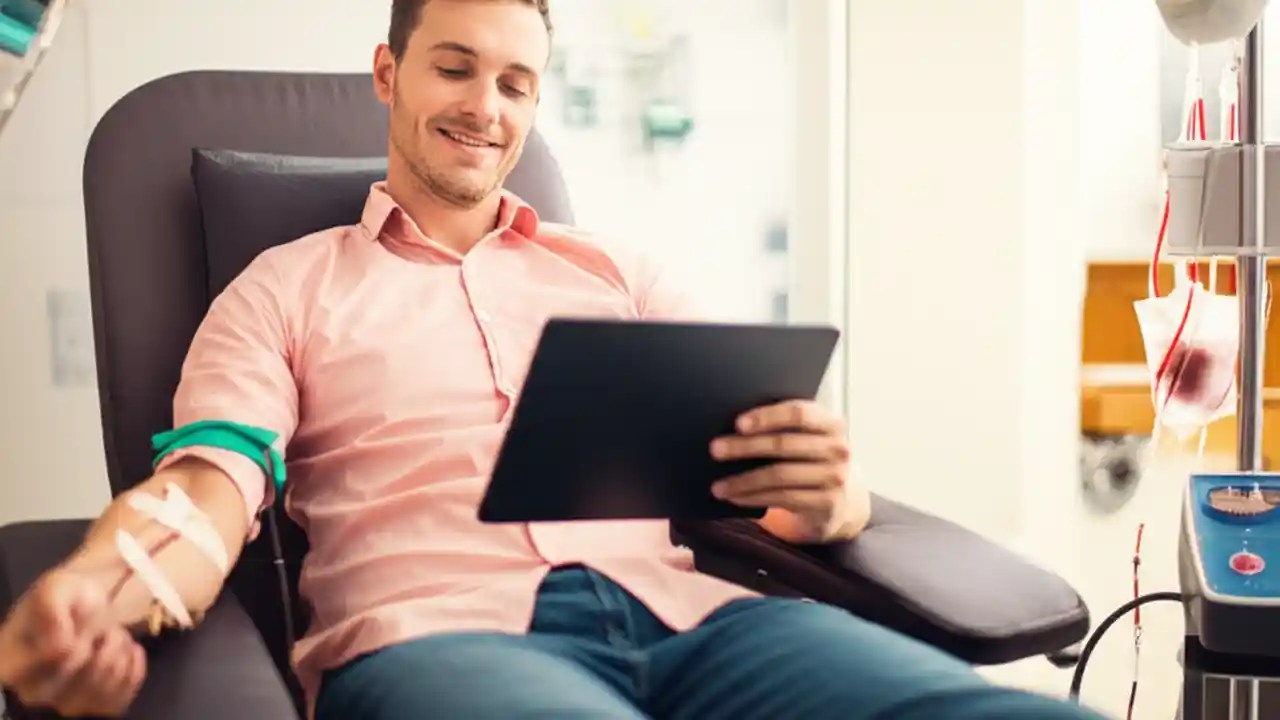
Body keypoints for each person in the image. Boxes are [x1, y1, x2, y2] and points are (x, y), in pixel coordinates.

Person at [0, 1, 1109, 718]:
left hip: (700, 631)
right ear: (387, 73)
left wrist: (834, 499)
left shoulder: (620, 278)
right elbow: (204, 493)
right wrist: (104, 594)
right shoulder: (284, 287)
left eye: (516, 83)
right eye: (454, 68)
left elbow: (755, 480)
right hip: (439, 645)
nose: (485, 108)